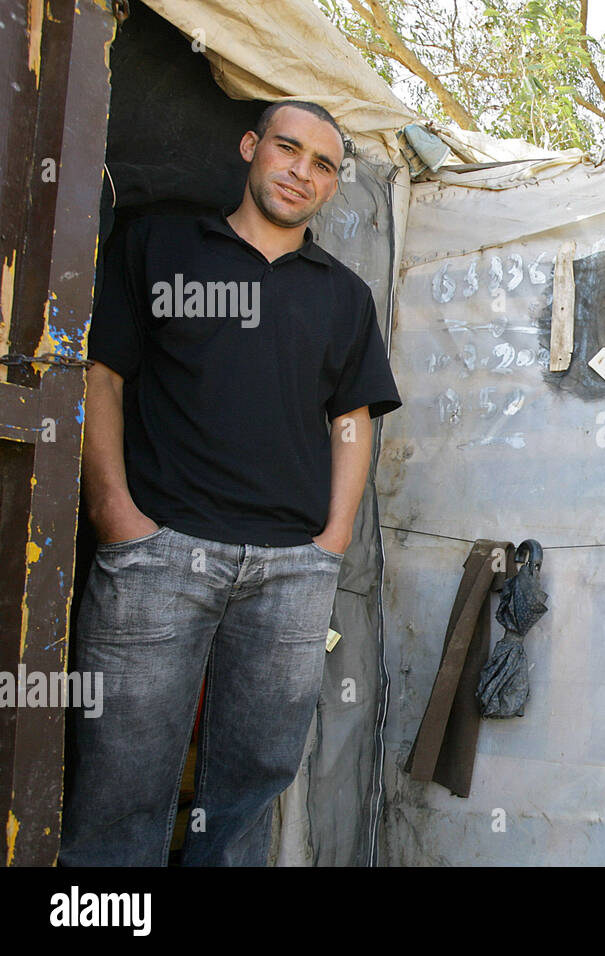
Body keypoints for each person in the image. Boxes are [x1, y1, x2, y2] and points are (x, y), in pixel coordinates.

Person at [60, 100, 402, 866]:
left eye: (323, 165)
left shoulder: (342, 295)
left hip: (290, 574)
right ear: (251, 148)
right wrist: (114, 511)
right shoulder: (159, 245)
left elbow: (354, 420)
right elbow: (102, 376)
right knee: (122, 779)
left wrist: (331, 542)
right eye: (288, 148)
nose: (301, 172)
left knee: (253, 783)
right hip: (158, 558)